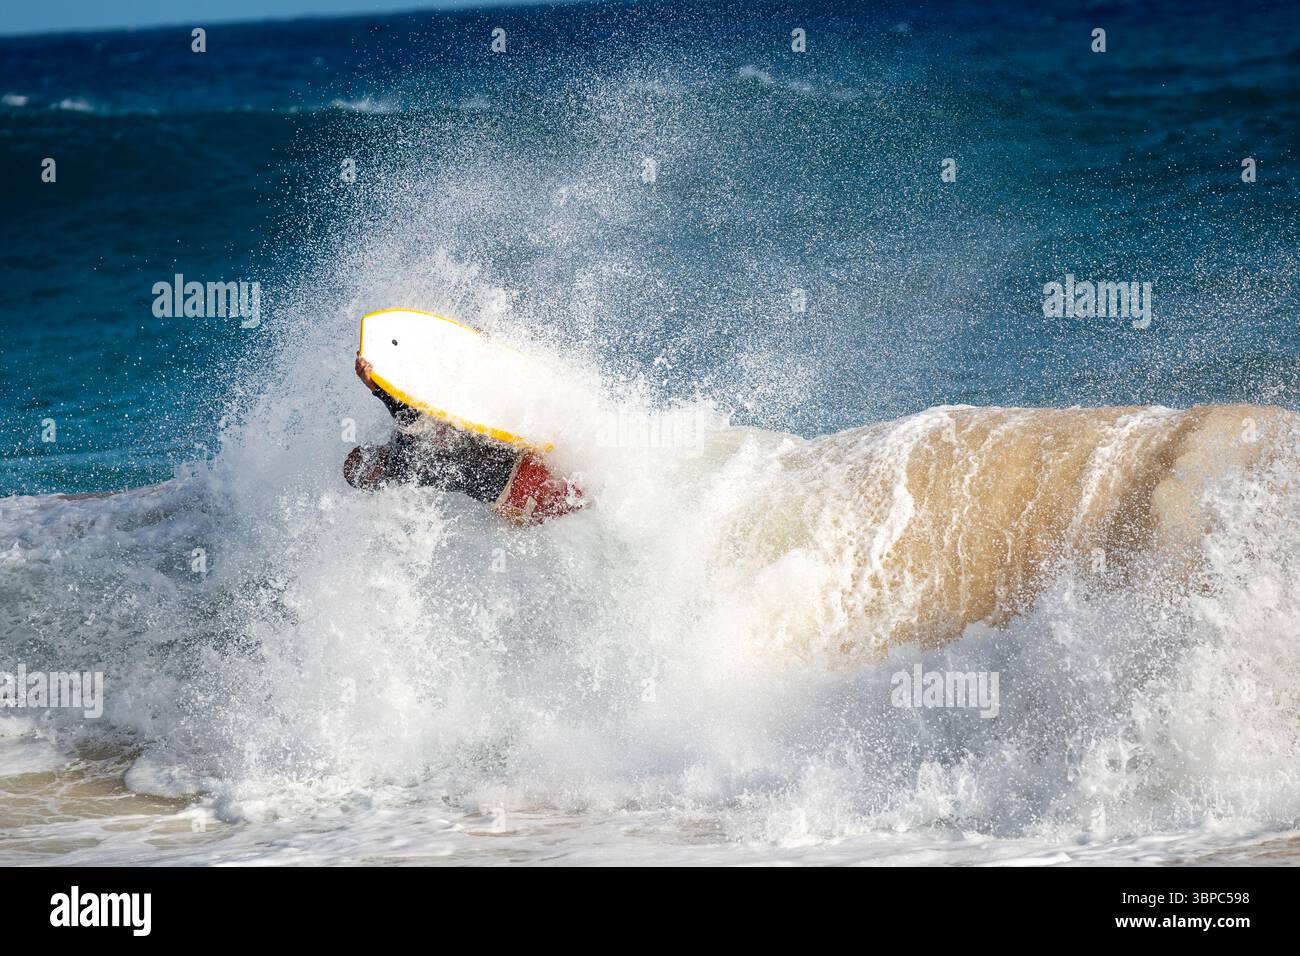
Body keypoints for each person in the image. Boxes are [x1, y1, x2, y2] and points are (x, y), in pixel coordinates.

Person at [344, 353, 582, 523]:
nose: (364, 452)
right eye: (362, 461)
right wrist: (376, 388)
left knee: (585, 508)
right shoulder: (401, 462)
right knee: (589, 496)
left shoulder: (402, 467)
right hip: (517, 480)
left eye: (360, 451)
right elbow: (409, 416)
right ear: (372, 478)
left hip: (509, 500)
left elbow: (421, 416)